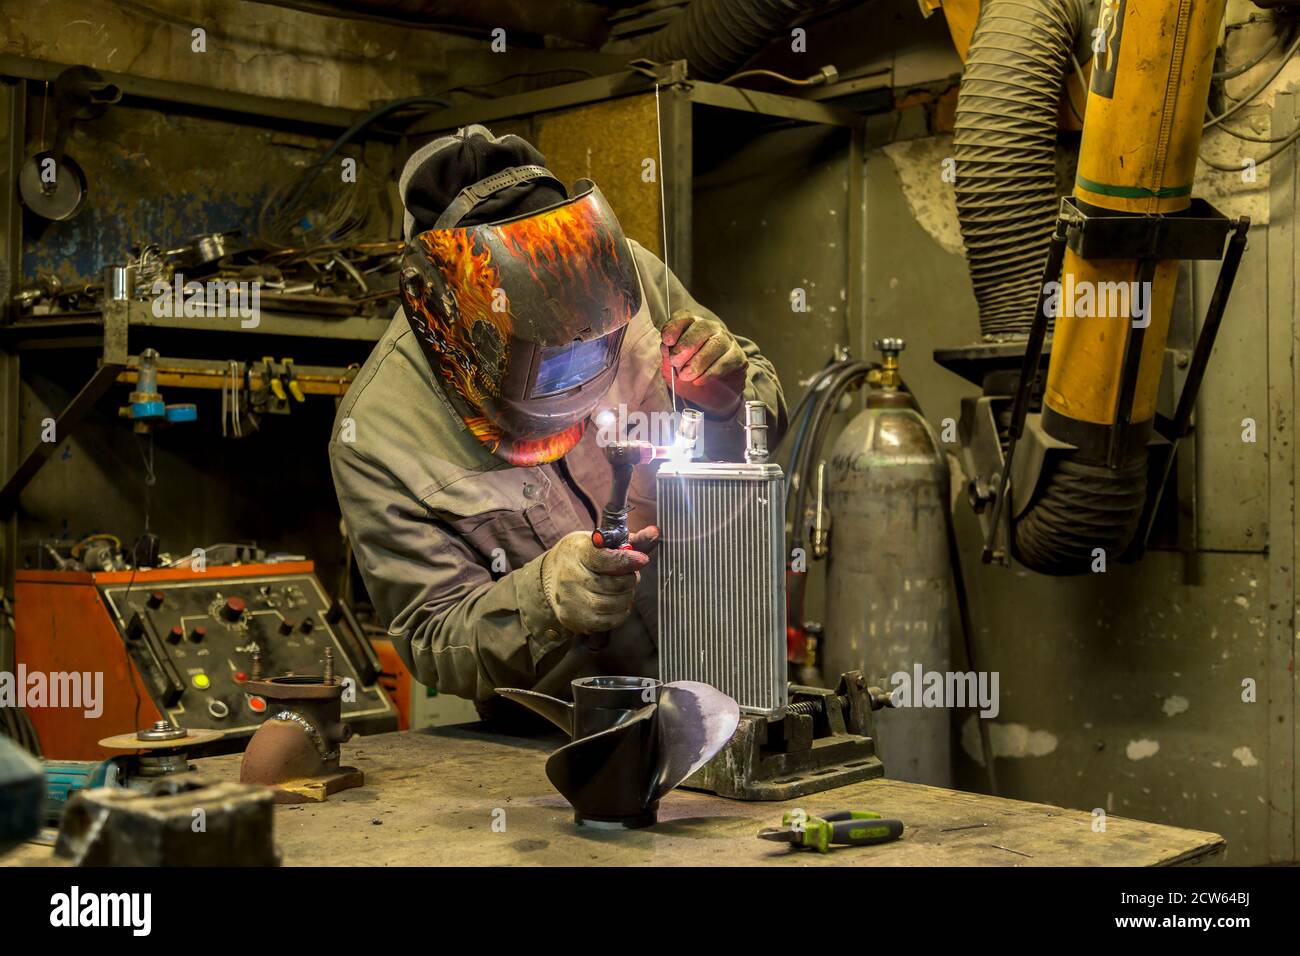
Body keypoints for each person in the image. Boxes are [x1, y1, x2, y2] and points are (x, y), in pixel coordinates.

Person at [330, 125, 786, 716]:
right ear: (451, 308)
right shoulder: (381, 431)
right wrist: (544, 598)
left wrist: (725, 400)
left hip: (725, 682)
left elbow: (760, 417)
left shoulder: (627, 273)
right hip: (561, 744)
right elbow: (432, 638)